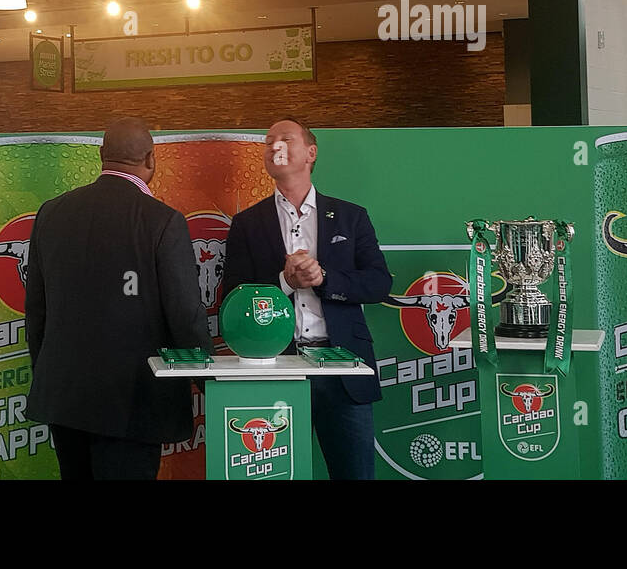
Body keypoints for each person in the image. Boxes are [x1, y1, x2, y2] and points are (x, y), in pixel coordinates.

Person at [26, 117, 209, 480]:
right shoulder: (163, 221)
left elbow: (37, 312)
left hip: (65, 396)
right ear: (151, 160)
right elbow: (185, 314)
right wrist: (208, 378)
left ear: (101, 156)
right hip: (135, 401)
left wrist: (50, 375)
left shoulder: (52, 213)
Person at [220, 117, 392, 480]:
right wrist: (284, 280)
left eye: (284, 139)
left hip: (342, 366)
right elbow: (232, 296)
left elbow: (379, 284)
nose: (273, 146)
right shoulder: (248, 223)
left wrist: (324, 278)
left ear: (311, 153)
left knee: (355, 474)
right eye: (267, 141)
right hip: (273, 367)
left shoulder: (351, 217)